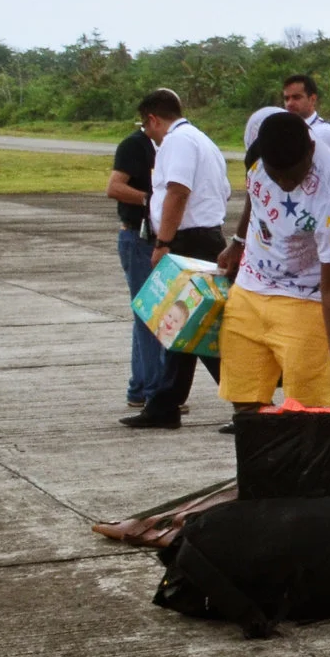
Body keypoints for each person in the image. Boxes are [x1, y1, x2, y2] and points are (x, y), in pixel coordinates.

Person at [214, 110, 330, 417]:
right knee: (244, 401)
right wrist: (238, 242)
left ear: (311, 150)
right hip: (249, 290)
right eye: (276, 175)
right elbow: (254, 195)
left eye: (293, 175)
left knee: (307, 412)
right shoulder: (258, 155)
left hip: (304, 301)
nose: (284, 183)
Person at [123, 89, 232, 430]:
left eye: (146, 127)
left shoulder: (177, 142)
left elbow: (178, 191)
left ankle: (249, 402)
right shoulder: (202, 140)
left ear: (153, 119)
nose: (149, 134)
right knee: (182, 324)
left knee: (199, 325)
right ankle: (164, 405)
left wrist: (164, 242)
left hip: (188, 239)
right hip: (205, 236)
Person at [107, 121, 166, 411]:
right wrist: (150, 200)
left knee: (148, 312)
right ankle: (155, 389)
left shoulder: (167, 146)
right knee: (150, 314)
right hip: (137, 237)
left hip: (155, 238)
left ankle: (141, 386)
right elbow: (114, 187)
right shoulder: (134, 145)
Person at [245, 72, 330, 163]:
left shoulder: (324, 131)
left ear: (312, 99)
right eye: (286, 98)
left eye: (296, 97)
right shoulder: (281, 128)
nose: (289, 104)